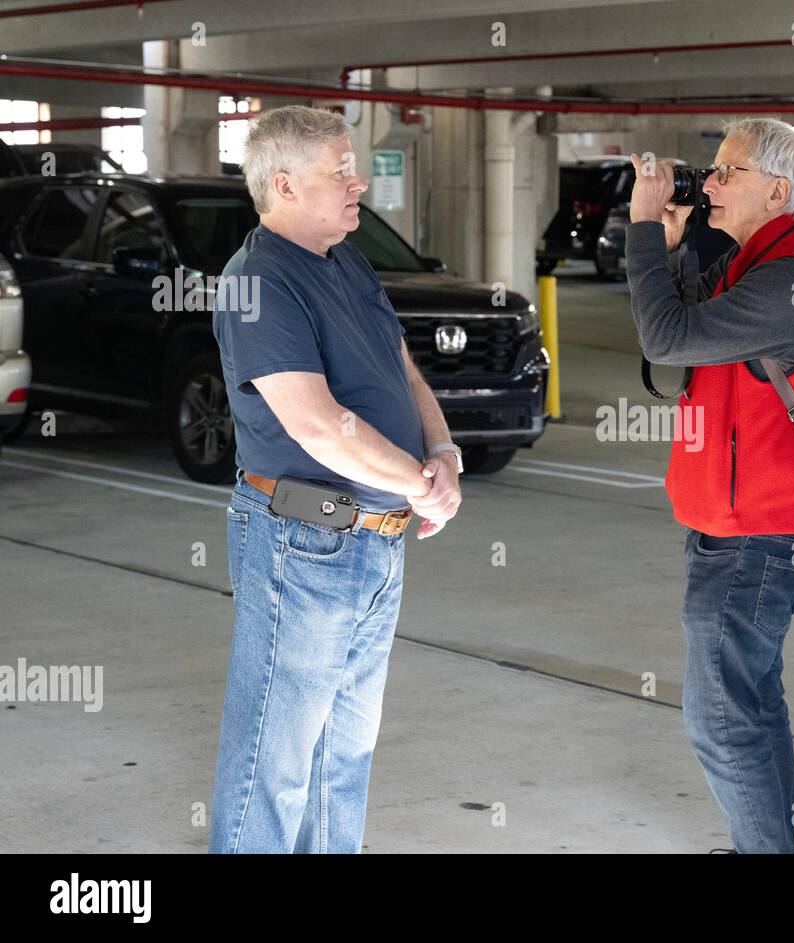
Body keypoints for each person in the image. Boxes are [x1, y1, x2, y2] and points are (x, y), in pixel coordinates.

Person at [208, 105, 463, 853]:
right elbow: (316, 423)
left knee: (341, 762)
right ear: (284, 185)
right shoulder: (257, 280)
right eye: (341, 171)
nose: (360, 184)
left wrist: (442, 452)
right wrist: (418, 481)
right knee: (274, 762)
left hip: (374, 546)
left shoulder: (343, 259)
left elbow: (398, 363)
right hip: (303, 543)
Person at [625, 117, 794, 853]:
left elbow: (666, 337)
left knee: (720, 720)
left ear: (778, 190)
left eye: (727, 172)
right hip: (739, 531)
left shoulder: (788, 280)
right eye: (712, 170)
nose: (710, 182)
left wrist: (636, 232)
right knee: (752, 704)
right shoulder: (760, 265)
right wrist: (673, 240)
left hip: (758, 536)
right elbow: (691, 317)